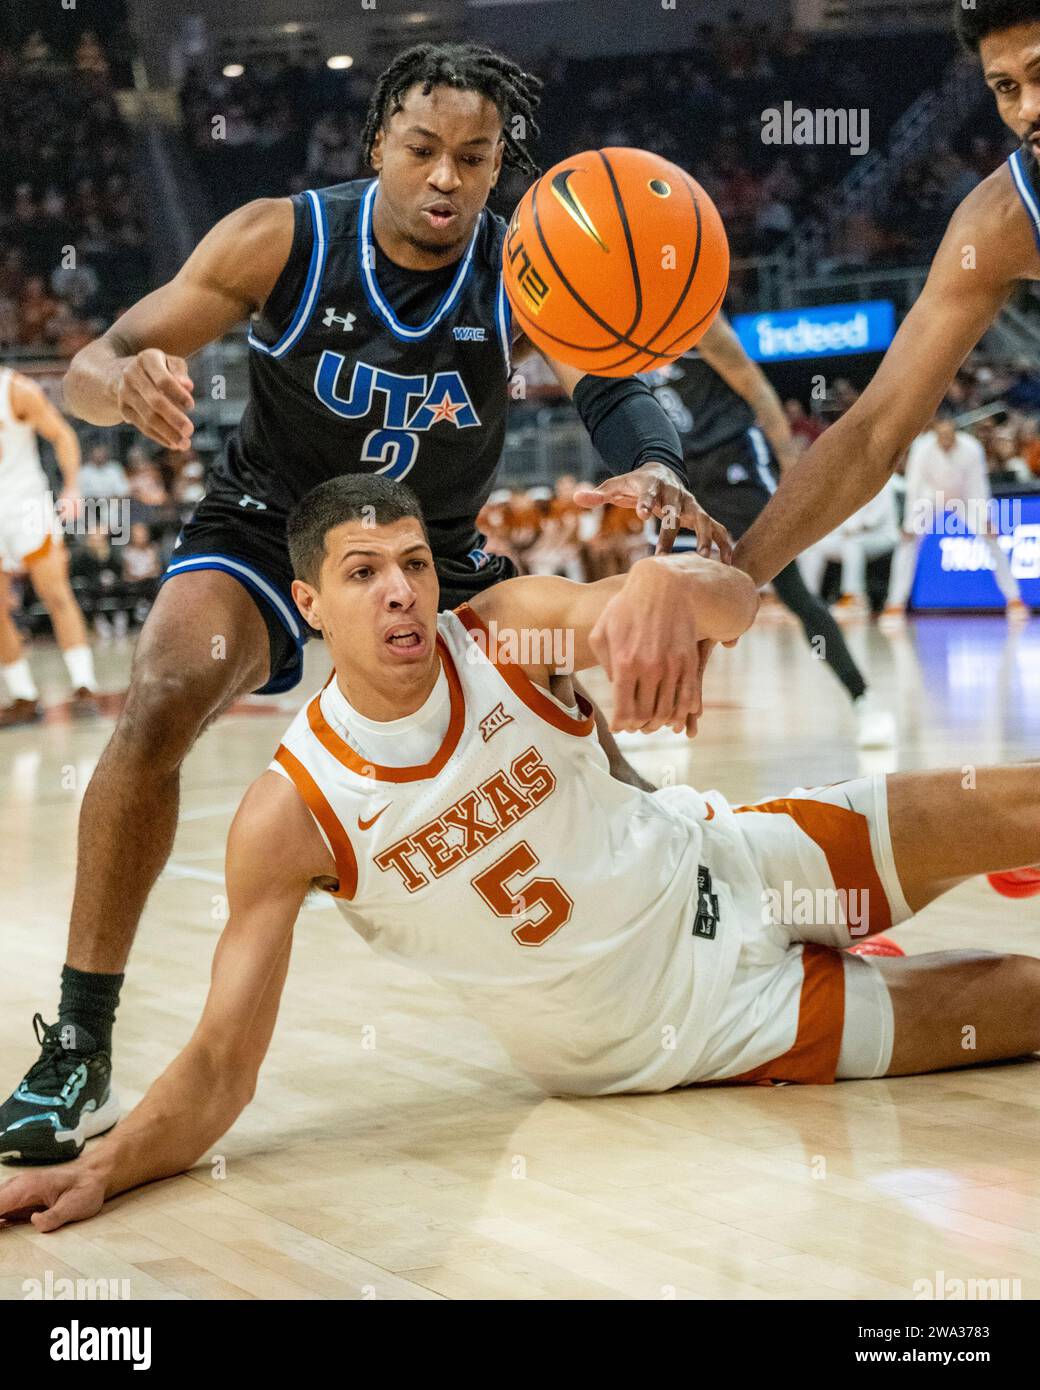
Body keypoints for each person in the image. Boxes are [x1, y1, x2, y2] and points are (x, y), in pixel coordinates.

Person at [0, 41, 723, 1163]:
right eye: (423, 148)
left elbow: (611, 385)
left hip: (430, 548)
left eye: (473, 158)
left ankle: (703, 891)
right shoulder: (283, 237)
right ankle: (80, 1039)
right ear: (378, 140)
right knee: (163, 694)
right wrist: (120, 383)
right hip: (270, 523)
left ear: (497, 168)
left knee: (575, 726)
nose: (446, 177)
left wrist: (656, 463)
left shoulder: (520, 263)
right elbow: (105, 352)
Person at [4, 473, 1040, 1220]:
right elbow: (223, 1066)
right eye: (363, 573)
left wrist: (671, 583)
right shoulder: (296, 813)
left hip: (730, 863)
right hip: (693, 1030)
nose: (401, 590)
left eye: (414, 563)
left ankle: (883, 911)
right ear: (308, 605)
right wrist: (107, 1168)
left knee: (1017, 801)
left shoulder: (506, 635)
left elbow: (732, 607)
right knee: (1024, 998)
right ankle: (867, 959)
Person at [730, 0, 1040, 896]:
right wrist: (740, 577)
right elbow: (871, 433)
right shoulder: (1001, 220)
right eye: (1005, 88)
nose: (1026, 109)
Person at [640, 312, 896, 747]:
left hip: (733, 458)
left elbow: (753, 384)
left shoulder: (694, 318)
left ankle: (863, 699)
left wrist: (789, 458)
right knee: (660, 595)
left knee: (793, 591)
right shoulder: (617, 336)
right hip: (677, 470)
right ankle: (663, 717)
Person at [0, 366, 99, 726]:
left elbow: (62, 434)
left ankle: (84, 685)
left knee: (55, 594)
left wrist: (72, 487)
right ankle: (23, 696)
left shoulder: (15, 390)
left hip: (26, 506)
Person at [882, 417, 1027, 622]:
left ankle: (1014, 599)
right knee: (908, 542)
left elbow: (978, 486)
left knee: (991, 538)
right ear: (935, 434)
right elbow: (914, 485)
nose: (945, 439)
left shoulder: (971, 448)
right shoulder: (922, 448)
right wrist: (909, 522)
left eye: (949, 435)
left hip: (963, 496)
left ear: (956, 433)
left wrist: (985, 519)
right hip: (931, 496)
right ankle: (895, 604)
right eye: (941, 435)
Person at [798, 478, 901, 615]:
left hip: (882, 537)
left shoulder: (881, 481)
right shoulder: (845, 483)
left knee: (852, 544)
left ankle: (853, 598)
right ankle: (808, 598)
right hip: (847, 538)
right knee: (814, 547)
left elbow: (872, 520)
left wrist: (849, 529)